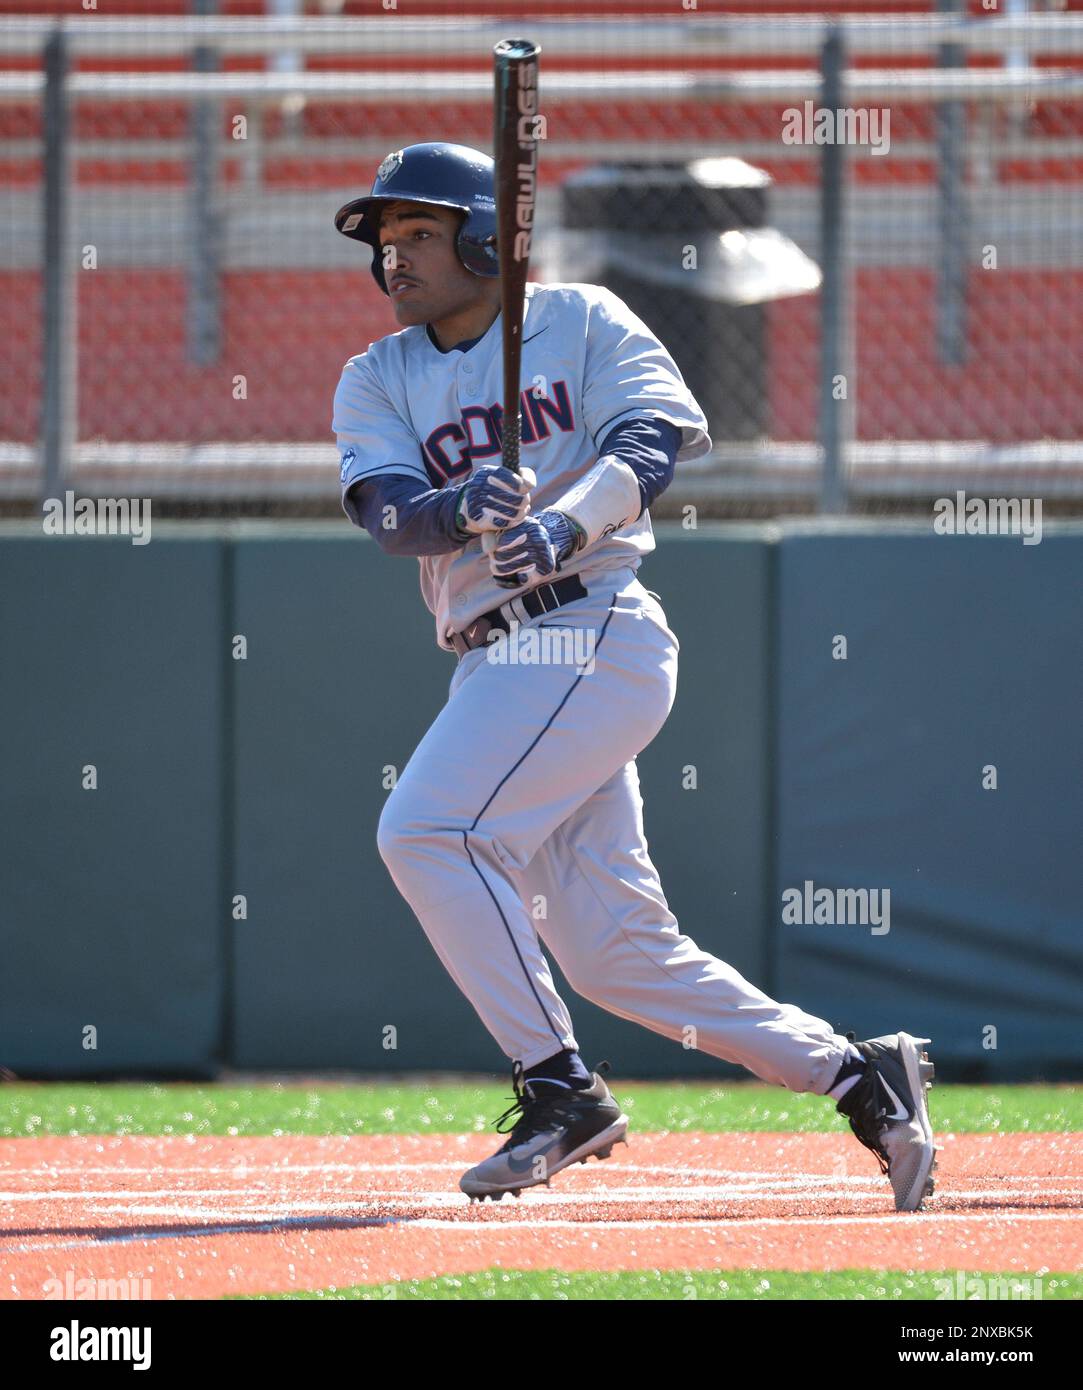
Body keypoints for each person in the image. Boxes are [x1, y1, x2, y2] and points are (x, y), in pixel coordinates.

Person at [331, 143, 937, 1211]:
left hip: (591, 628)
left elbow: (653, 438)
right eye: (386, 240)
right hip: (492, 661)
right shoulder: (376, 375)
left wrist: (563, 522)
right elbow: (384, 509)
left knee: (427, 829)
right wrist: (462, 508)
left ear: (487, 237)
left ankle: (562, 1089)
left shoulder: (582, 318)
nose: (396, 259)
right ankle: (858, 1072)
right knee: (617, 952)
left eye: (419, 233)